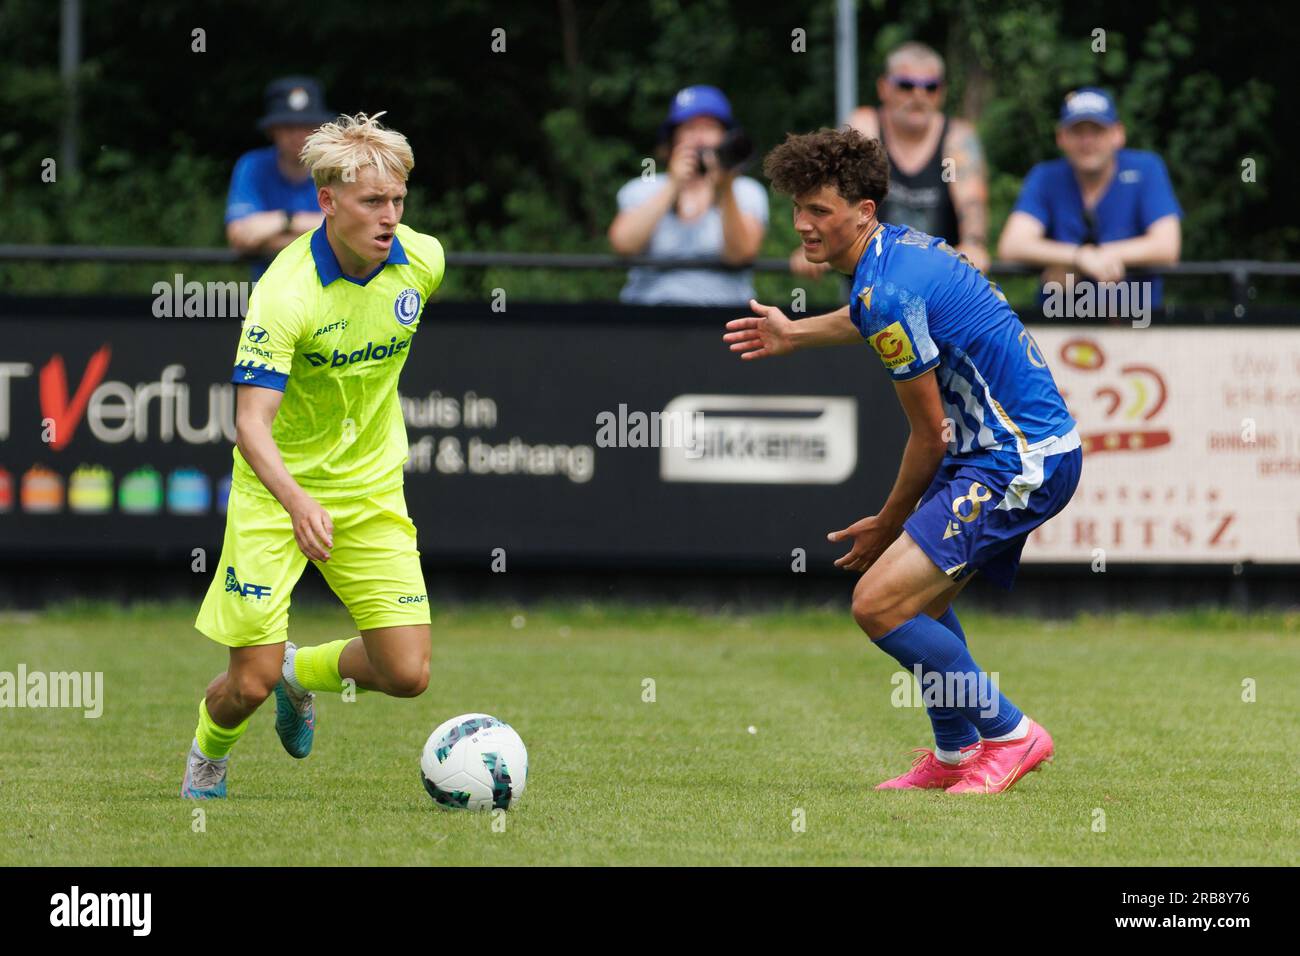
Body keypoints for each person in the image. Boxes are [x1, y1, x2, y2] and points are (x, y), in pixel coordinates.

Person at [724, 127, 1081, 794]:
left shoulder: (885, 290)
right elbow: (869, 314)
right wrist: (794, 332)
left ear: (862, 213)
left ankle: (1011, 733)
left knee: (878, 605)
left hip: (1019, 459)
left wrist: (889, 520)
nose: (803, 225)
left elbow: (929, 436)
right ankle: (953, 754)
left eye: (819, 211)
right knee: (917, 599)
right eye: (798, 208)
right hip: (1003, 450)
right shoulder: (896, 256)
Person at [182, 112, 445, 799]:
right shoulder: (284, 296)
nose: (389, 217)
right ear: (325, 202)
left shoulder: (423, 261)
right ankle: (209, 755)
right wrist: (297, 501)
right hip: (279, 494)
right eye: (371, 203)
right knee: (247, 682)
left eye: (397, 201)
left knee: (408, 674)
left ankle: (303, 672)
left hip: (370, 489)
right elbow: (250, 425)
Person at [791, 42, 990, 277]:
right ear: (883, 88)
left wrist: (974, 243)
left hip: (938, 286)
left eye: (930, 87)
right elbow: (834, 192)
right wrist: (817, 236)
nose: (919, 95)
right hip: (871, 286)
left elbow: (971, 202)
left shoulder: (957, 137)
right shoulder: (864, 127)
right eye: (906, 86)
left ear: (942, 93)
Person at [997, 87, 1182, 309]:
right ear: (1061, 137)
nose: (1087, 141)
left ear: (1118, 134)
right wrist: (1078, 257)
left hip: (1136, 324)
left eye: (1097, 131)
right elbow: (1012, 245)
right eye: (1077, 132)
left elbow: (1167, 247)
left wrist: (1096, 258)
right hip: (1058, 325)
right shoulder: (1046, 176)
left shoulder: (1146, 169)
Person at [608, 85, 768, 305]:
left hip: (725, 319)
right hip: (648, 318)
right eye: (690, 128)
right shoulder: (641, 188)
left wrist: (724, 189)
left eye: (709, 128)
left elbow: (740, 255)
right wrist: (673, 185)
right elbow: (624, 246)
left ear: (726, 137)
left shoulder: (746, 191)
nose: (700, 139)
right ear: (673, 138)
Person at [225, 77, 335, 280]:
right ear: (272, 130)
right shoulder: (252, 165)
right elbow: (240, 238)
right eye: (288, 126)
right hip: (267, 298)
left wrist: (282, 222)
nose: (298, 135)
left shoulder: (337, 168)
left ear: (321, 128)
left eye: (307, 125)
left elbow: (352, 231)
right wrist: (322, 233)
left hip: (328, 293)